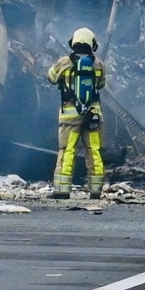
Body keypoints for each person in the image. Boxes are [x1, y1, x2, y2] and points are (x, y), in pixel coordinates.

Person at [46, 27, 107, 200]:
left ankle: (62, 190)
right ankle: (95, 191)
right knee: (94, 151)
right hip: (93, 115)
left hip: (70, 116)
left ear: (73, 42)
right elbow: (101, 85)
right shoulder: (99, 64)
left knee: (67, 151)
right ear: (92, 44)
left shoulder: (64, 62)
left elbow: (51, 77)